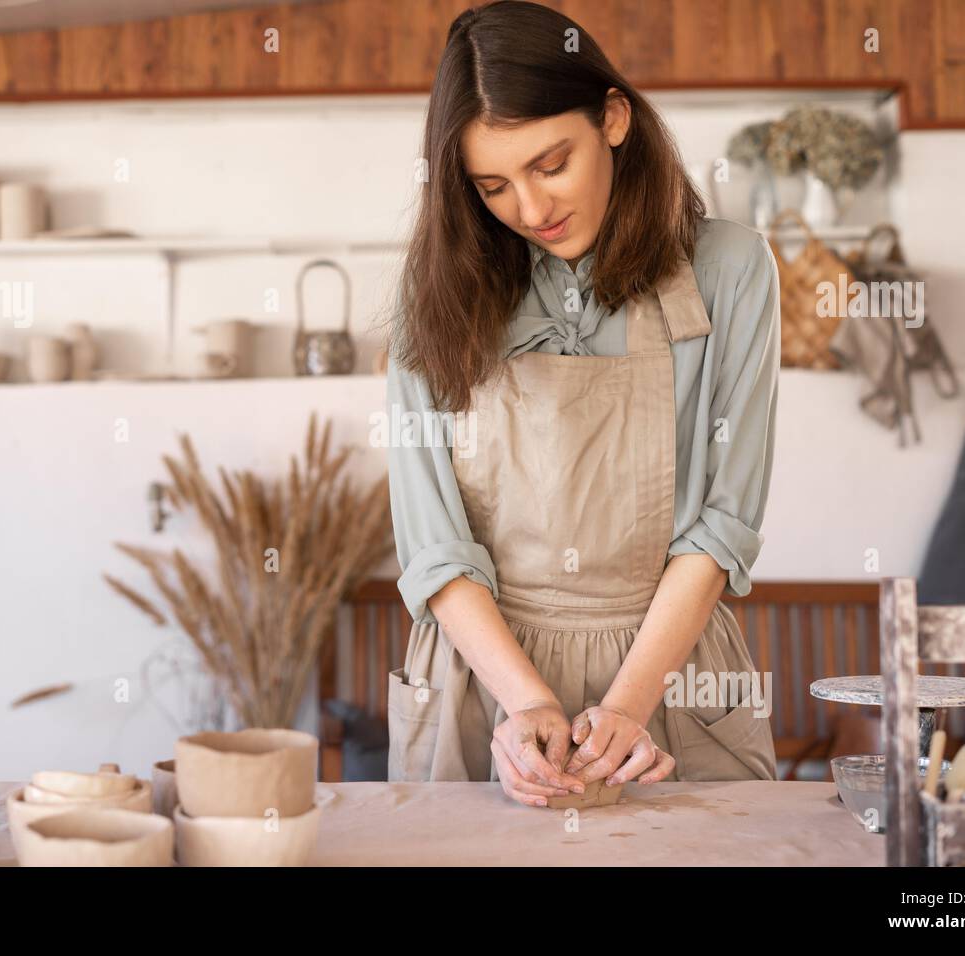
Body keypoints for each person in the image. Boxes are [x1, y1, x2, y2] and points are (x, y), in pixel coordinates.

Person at [386, 0, 781, 806]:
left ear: (612, 117)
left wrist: (630, 706)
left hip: (669, 676)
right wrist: (526, 701)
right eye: (492, 185)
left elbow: (724, 524)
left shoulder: (731, 269)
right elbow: (434, 545)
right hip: (481, 686)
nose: (530, 211)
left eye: (550, 163)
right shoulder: (438, 291)